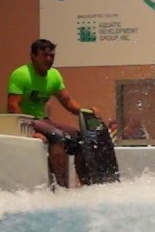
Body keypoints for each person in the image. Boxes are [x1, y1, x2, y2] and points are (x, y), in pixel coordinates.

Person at [6, 39, 99, 189]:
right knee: (58, 136)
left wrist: (87, 112)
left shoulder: (54, 75)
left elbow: (67, 102)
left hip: (43, 120)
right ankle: (60, 188)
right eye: (45, 55)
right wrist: (29, 131)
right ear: (33, 56)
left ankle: (87, 186)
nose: (49, 59)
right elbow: (12, 106)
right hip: (28, 121)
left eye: (52, 56)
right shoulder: (21, 74)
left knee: (80, 137)